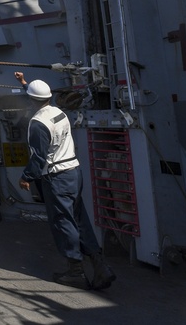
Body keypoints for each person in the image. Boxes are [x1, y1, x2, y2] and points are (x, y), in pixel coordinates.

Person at [15, 72, 116, 290]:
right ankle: (100, 266)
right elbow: (39, 97)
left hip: (56, 178)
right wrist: (25, 83)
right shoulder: (58, 112)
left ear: (32, 100)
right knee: (79, 218)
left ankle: (76, 271)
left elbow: (38, 157)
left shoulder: (37, 123)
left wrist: (26, 177)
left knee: (63, 222)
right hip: (73, 171)